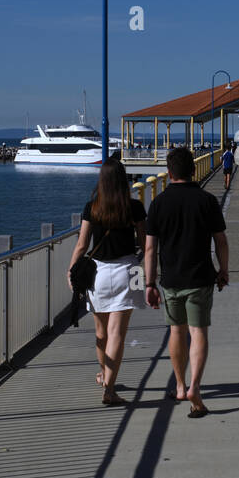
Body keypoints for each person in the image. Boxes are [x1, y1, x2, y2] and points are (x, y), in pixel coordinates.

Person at [144, 147, 229, 418]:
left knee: (176, 332)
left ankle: (180, 387)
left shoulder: (157, 204)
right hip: (201, 278)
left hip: (170, 280)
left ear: (169, 174)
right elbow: (221, 241)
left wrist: (149, 283)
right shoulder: (207, 200)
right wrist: (223, 270)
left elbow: (149, 249)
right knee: (199, 332)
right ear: (193, 170)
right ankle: (195, 387)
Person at [68, 160, 146, 406]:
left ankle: (105, 374)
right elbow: (146, 244)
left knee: (101, 333)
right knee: (117, 335)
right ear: (123, 180)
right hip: (129, 271)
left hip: (98, 274)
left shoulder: (92, 208)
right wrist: (150, 273)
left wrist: (71, 271)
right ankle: (109, 389)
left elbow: (82, 245)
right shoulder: (134, 207)